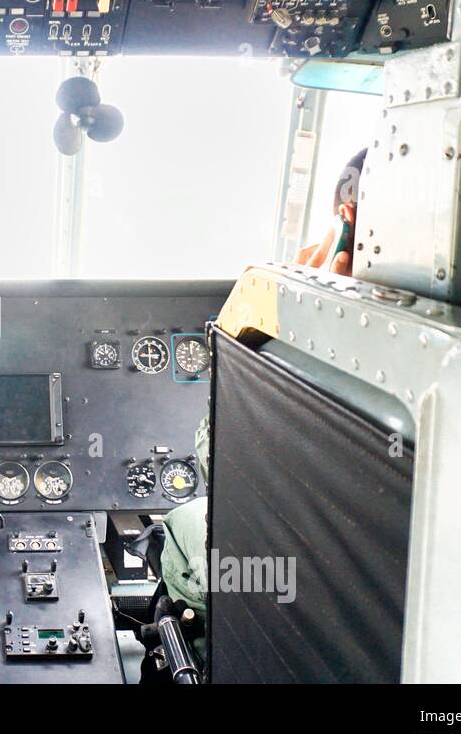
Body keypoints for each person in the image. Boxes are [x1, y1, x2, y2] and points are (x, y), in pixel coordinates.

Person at [156, 148, 369, 623]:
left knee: (183, 520)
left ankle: (192, 638)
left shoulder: (281, 294)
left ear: (347, 215)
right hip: (371, 579)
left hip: (288, 565)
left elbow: (223, 465)